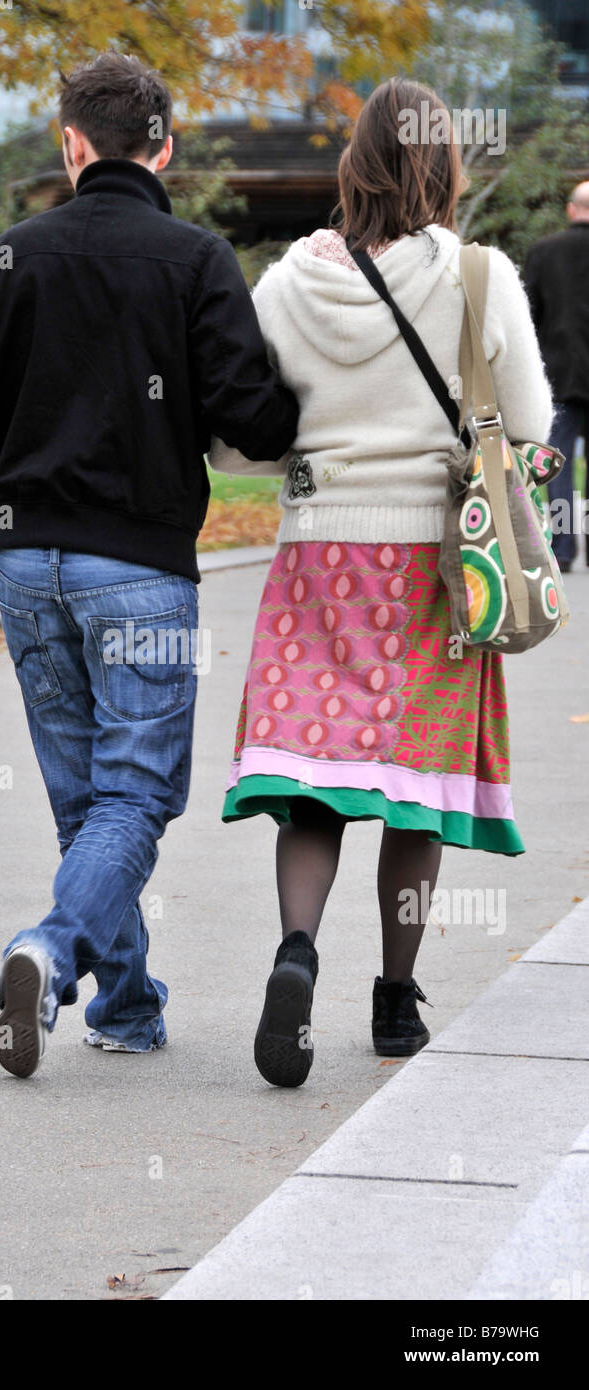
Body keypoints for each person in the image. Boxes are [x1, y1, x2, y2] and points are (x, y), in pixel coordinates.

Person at [0, 53, 299, 1078]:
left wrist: (8, 526)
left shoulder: (8, 257)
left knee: (86, 799)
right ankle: (52, 950)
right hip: (139, 565)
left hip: (26, 562)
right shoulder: (193, 262)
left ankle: (131, 1002)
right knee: (134, 797)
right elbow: (253, 417)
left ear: (70, 144)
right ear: (165, 147)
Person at [210, 77, 553, 1089]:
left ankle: (294, 950)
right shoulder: (479, 278)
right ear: (444, 165)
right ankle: (395, 1001)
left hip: (318, 553)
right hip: (435, 571)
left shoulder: (285, 285)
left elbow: (237, 441)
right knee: (412, 792)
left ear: (349, 166)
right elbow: (528, 425)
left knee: (312, 776)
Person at [524, 184, 589, 573]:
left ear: (570, 209)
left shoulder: (543, 252)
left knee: (558, 464)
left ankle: (563, 549)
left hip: (559, 377)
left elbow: (527, 319)